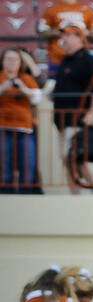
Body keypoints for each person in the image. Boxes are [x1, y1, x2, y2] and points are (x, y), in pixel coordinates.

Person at [50, 26, 93, 192]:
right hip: (61, 120)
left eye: (67, 36)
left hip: (77, 119)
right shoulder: (65, 60)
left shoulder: (88, 60)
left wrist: (92, 112)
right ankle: (76, 194)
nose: (63, 40)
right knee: (67, 159)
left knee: (74, 157)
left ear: (79, 38)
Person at [0, 46, 41, 193]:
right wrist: (3, 88)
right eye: (8, 59)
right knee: (4, 166)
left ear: (20, 62)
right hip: (3, 128)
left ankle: (26, 197)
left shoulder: (26, 78)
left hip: (25, 128)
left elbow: (37, 98)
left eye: (15, 59)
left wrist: (24, 89)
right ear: (3, 61)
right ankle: (5, 196)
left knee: (27, 165)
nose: (11, 62)